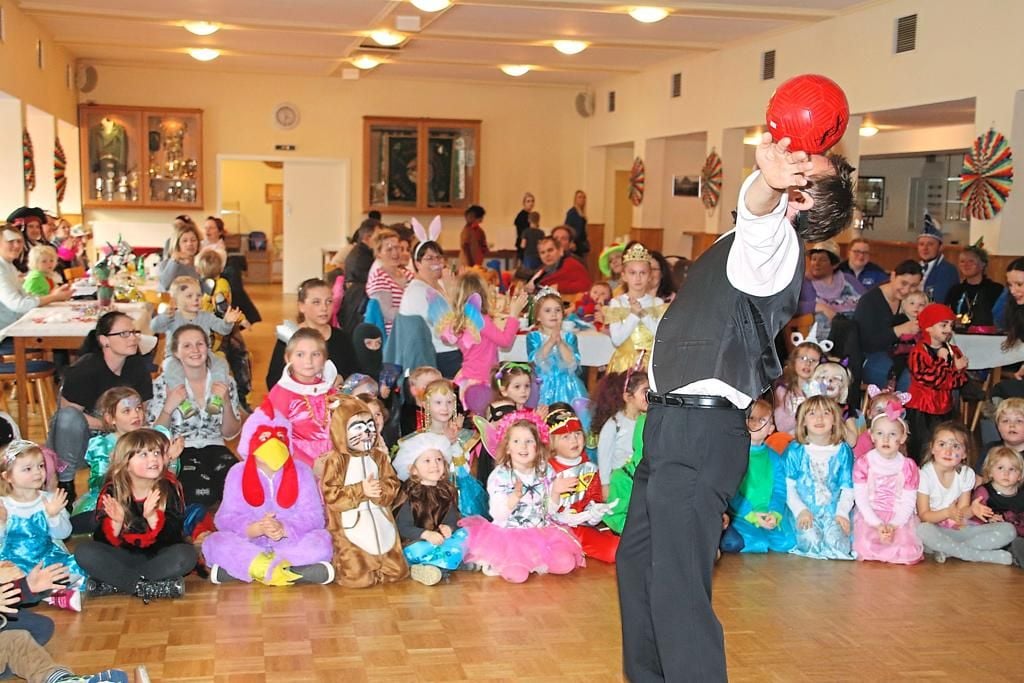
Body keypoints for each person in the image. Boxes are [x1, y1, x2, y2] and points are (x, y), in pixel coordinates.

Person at [618, 131, 855, 682]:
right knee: (639, 567)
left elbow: (756, 213)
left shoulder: (774, 245)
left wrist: (766, 184)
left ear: (801, 200)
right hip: (670, 426)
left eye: (802, 170)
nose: (791, 163)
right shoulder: (749, 241)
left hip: (700, 432)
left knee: (678, 587)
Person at [203, 405, 334, 586]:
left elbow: (314, 517)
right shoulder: (237, 473)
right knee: (215, 542)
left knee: (321, 541)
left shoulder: (302, 471)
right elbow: (225, 519)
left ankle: (252, 570)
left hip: (289, 544)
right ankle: (288, 572)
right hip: (250, 544)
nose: (273, 444)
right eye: (265, 437)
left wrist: (284, 528)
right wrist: (255, 529)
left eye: (280, 437)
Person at [74, 429, 197, 601]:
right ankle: (146, 587)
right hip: (123, 555)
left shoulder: (168, 487)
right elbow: (101, 539)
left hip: (158, 556)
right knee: (84, 551)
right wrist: (116, 523)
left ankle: (116, 584)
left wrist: (153, 517)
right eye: (143, 454)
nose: (153, 458)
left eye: (156, 453)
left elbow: (173, 536)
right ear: (125, 463)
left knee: (186, 555)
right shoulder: (112, 490)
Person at [459, 412, 583, 583]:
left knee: (566, 564)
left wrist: (555, 492)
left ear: (538, 446)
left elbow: (549, 511)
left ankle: (534, 560)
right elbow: (498, 514)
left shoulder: (545, 470)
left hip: (541, 532)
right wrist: (513, 499)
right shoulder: (500, 475)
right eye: (516, 441)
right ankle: (502, 562)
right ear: (508, 447)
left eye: (529, 441)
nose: (523, 447)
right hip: (510, 534)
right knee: (516, 576)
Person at [48, 311, 153, 505]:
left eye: (134, 332)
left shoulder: (137, 365)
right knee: (68, 418)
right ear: (104, 340)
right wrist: (111, 425)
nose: (132, 338)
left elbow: (144, 409)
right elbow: (67, 416)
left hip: (120, 436)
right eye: (124, 334)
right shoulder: (85, 370)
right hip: (81, 441)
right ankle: (66, 485)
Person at [148, 326, 243, 506]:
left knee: (238, 487)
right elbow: (155, 435)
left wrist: (227, 403)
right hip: (180, 449)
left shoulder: (225, 381)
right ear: (175, 352)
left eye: (200, 344)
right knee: (199, 494)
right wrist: (168, 407)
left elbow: (231, 433)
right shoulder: (163, 383)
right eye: (187, 346)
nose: (195, 350)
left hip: (216, 446)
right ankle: (199, 528)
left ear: (208, 348)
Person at [320, 397, 409, 588]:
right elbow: (331, 495)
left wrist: (380, 492)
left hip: (382, 524)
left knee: (398, 572)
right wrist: (361, 490)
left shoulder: (378, 457)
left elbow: (392, 483)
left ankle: (382, 561)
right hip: (351, 528)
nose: (367, 432)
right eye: (358, 427)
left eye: (369, 425)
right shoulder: (336, 461)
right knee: (358, 579)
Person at [73, 387, 182, 533]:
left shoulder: (155, 439)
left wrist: (170, 459)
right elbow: (99, 484)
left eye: (138, 408)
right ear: (110, 418)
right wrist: (117, 466)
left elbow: (170, 478)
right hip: (116, 499)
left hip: (150, 498)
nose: (136, 415)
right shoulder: (103, 446)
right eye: (126, 411)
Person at [915, 422, 1016, 565]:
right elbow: (924, 516)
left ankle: (951, 550)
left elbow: (961, 514)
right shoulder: (924, 475)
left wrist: (972, 510)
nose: (948, 451)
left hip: (958, 531)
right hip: (934, 528)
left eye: (955, 446)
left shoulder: (966, 474)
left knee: (1008, 530)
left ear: (964, 454)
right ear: (932, 448)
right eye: (942, 444)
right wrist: (947, 513)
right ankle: (976, 555)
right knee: (922, 530)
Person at [0, 440, 83, 611]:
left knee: (78, 566)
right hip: (14, 563)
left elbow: (64, 533)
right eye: (28, 469)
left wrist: (53, 516)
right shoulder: (3, 505)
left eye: (40, 466)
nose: (37, 472)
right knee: (9, 581)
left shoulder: (50, 499)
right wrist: (1, 523)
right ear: (7, 476)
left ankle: (49, 593)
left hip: (46, 557)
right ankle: (51, 595)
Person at [441, 272, 527, 413]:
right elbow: (505, 341)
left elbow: (445, 336)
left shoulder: (459, 320)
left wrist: (450, 296)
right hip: (483, 380)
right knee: (486, 420)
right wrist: (513, 315)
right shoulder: (480, 319)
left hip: (467, 379)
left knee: (475, 420)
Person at [390, 431, 468, 586]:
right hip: (416, 542)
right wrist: (425, 534)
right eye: (427, 460)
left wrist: (449, 527)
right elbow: (402, 527)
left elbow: (452, 516)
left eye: (439, 459)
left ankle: (439, 565)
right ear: (413, 469)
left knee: (467, 533)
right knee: (418, 550)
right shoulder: (410, 494)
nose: (435, 464)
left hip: (438, 540)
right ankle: (421, 568)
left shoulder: (446, 490)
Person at [783, 396, 856, 560]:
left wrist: (842, 513)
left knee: (838, 544)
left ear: (835, 420)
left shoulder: (843, 451)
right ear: (803, 422)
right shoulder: (796, 450)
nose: (819, 418)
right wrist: (800, 510)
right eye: (812, 414)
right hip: (804, 509)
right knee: (811, 541)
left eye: (826, 413)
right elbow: (789, 487)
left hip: (833, 511)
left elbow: (848, 488)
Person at [719, 399, 795, 555]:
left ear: (771, 429)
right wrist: (751, 515)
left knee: (788, 543)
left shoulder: (775, 458)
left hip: (767, 513)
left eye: (761, 420)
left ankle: (766, 526)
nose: (754, 424)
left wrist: (774, 513)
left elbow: (779, 489)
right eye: (751, 418)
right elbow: (731, 491)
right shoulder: (734, 455)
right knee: (758, 544)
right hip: (742, 515)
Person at [546, 406, 619, 563]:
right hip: (550, 529)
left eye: (577, 434)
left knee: (615, 551)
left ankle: (576, 549)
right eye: (565, 437)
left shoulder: (590, 469)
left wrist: (594, 514)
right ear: (551, 442)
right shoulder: (546, 470)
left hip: (581, 529)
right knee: (561, 560)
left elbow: (594, 499)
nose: (574, 440)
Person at [389, 226, 461, 380]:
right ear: (417, 263)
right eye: (429, 258)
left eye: (439, 257)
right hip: (439, 357)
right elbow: (450, 330)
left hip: (449, 351)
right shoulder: (418, 292)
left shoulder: (439, 284)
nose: (436, 262)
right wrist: (451, 292)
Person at [852, 412, 924, 564]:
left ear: (902, 438)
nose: (885, 439)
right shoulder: (864, 463)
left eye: (892, 434)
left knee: (906, 550)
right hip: (870, 515)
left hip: (898, 516)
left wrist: (893, 524)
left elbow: (909, 501)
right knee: (864, 545)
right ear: (872, 436)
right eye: (880, 433)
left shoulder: (908, 466)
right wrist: (877, 523)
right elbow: (861, 499)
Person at [266, 329, 338, 471]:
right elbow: (274, 438)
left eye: (315, 354)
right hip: (297, 466)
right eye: (300, 354)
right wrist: (309, 464)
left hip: (333, 463)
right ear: (288, 358)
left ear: (324, 359)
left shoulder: (328, 390)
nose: (308, 361)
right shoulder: (281, 393)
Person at [904, 304, 969, 463]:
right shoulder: (919, 352)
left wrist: (952, 371)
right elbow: (929, 379)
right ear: (928, 328)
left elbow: (959, 380)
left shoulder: (954, 350)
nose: (948, 329)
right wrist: (946, 364)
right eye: (943, 325)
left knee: (945, 445)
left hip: (945, 408)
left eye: (951, 325)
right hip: (921, 409)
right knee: (921, 448)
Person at [267, 278, 357, 391]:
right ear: (301, 306)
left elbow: (355, 373)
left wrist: (342, 379)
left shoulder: (342, 338)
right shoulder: (290, 337)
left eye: (329, 301)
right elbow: (273, 381)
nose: (324, 308)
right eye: (316, 302)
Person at [853, 260, 924, 388]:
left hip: (902, 357)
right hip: (870, 359)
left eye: (913, 286)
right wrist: (898, 330)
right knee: (911, 383)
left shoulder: (909, 301)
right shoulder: (869, 301)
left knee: (935, 377)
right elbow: (866, 343)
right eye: (903, 283)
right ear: (892, 276)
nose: (906, 290)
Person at [604, 243, 665, 373]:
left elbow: (661, 336)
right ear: (624, 275)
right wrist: (633, 315)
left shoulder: (657, 303)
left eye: (642, 273)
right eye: (632, 273)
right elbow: (617, 340)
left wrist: (642, 314)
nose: (638, 278)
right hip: (624, 365)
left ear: (650, 276)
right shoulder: (617, 303)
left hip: (650, 365)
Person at [0, 225, 72, 336]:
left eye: (19, 241)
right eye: (10, 241)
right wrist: (54, 297)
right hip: (7, 333)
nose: (17, 245)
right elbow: (19, 305)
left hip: (17, 324)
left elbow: (25, 297)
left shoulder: (9, 266)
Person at [592, 371, 649, 500]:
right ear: (628, 397)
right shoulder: (614, 424)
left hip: (639, 480)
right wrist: (605, 485)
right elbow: (604, 456)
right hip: (620, 483)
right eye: (644, 391)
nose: (649, 395)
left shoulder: (646, 420)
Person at [527, 288, 588, 407]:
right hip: (542, 386)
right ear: (538, 316)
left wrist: (560, 342)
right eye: (547, 310)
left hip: (568, 386)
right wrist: (550, 342)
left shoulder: (569, 337)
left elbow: (572, 363)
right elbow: (535, 361)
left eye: (557, 310)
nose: (553, 314)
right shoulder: (534, 337)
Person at [805, 238, 861, 340]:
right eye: (813, 259)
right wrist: (820, 307)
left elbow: (867, 300)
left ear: (834, 265)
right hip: (824, 336)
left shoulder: (848, 279)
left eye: (822, 260)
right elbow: (789, 306)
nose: (816, 263)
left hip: (855, 329)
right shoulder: (805, 283)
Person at [944, 244, 1004, 329]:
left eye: (971, 261)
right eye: (962, 261)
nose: (966, 264)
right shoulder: (955, 291)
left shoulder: (995, 290)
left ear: (983, 264)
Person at [971, 445, 1023, 539]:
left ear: (1020, 475)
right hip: (993, 534)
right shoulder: (983, 492)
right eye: (1000, 468)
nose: (1006, 473)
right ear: (990, 472)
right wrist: (989, 519)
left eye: (1012, 469)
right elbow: (975, 517)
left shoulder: (1022, 493)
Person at [773, 340, 824, 435]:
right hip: (791, 440)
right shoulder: (783, 390)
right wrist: (803, 411)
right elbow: (780, 426)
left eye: (813, 360)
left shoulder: (822, 390)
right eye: (803, 358)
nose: (808, 364)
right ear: (794, 361)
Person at [365, 228, 411, 335]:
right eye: (389, 249)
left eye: (397, 247)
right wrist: (414, 310)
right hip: (392, 337)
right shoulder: (379, 278)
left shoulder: (409, 274)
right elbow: (387, 313)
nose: (395, 253)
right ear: (379, 254)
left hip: (410, 331)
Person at [339, 219, 379, 333]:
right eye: (378, 238)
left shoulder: (361, 252)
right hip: (358, 308)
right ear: (367, 238)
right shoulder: (363, 258)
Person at [524, 237, 592, 296]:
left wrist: (559, 287)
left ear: (560, 251)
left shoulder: (571, 264)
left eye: (550, 250)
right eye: (542, 252)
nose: (547, 255)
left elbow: (586, 286)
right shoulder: (542, 270)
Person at [916, 213, 958, 304]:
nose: (925, 248)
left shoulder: (948, 270)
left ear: (940, 247)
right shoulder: (913, 267)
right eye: (921, 244)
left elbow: (939, 300)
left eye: (930, 244)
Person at [977, 398, 1024, 474]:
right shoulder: (990, 450)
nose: (1012, 425)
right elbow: (979, 479)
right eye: (1005, 421)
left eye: (1019, 421)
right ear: (998, 426)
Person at [6, 207, 51, 274]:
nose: (35, 230)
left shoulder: (45, 246)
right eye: (30, 226)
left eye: (37, 227)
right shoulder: (18, 249)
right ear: (22, 229)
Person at [158, 224, 201, 292]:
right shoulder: (165, 265)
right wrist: (174, 260)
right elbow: (165, 285)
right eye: (185, 241)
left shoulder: (201, 265)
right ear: (177, 244)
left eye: (193, 240)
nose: (190, 244)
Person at [563, 190, 591, 258]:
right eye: (580, 197)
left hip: (581, 244)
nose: (582, 199)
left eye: (584, 197)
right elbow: (567, 228)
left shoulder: (582, 213)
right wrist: (571, 242)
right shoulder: (572, 212)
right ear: (575, 199)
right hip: (574, 244)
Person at [513, 192, 535, 263]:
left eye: (532, 201)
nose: (531, 203)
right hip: (524, 245)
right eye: (528, 201)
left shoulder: (530, 215)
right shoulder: (522, 216)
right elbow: (523, 233)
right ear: (524, 203)